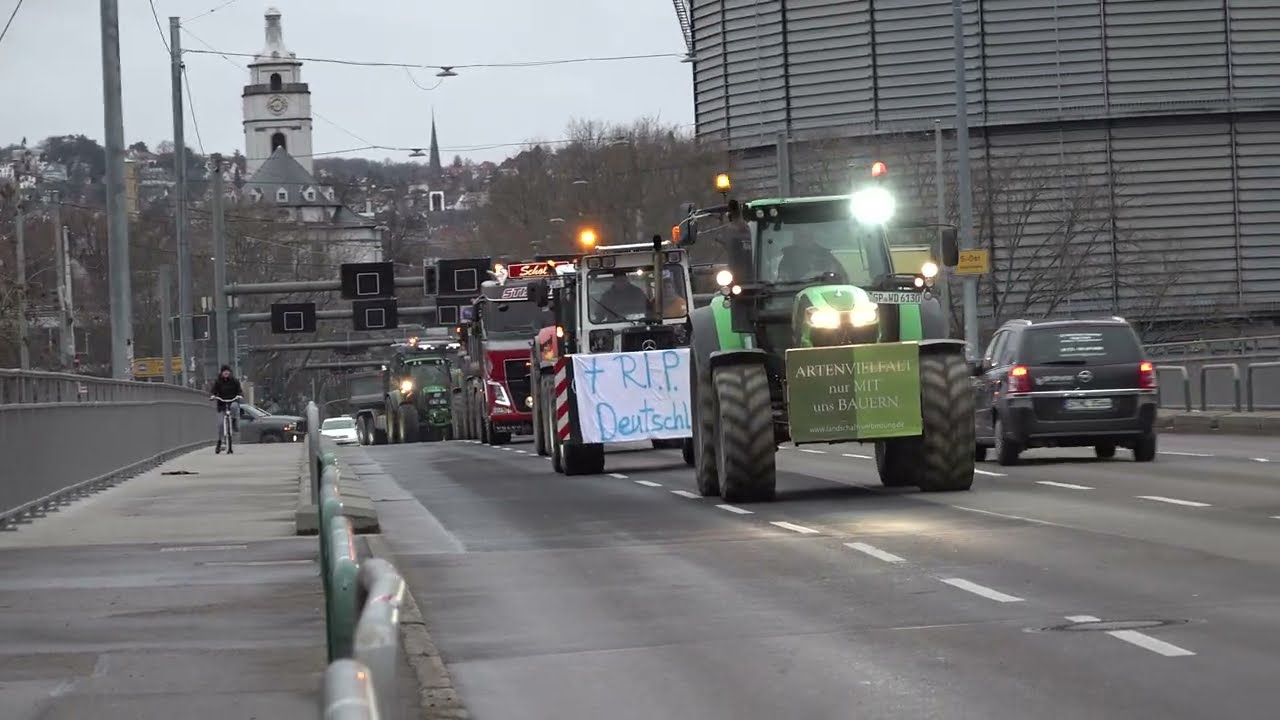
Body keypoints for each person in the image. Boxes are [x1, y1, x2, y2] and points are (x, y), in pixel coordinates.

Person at [777, 231, 846, 283]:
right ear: (795, 239)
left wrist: (822, 275)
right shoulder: (787, 259)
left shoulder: (826, 256)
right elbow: (783, 283)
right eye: (801, 236)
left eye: (806, 236)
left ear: (812, 237)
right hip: (795, 295)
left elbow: (842, 278)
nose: (804, 239)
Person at [209, 365, 243, 454]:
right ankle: (219, 442)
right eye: (224, 371)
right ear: (221, 373)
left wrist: (240, 395)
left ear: (230, 372)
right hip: (222, 404)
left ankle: (234, 420)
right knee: (220, 424)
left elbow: (239, 390)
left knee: (234, 406)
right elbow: (213, 391)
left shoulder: (234, 381)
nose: (226, 373)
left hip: (232, 401)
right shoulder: (218, 382)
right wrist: (213, 395)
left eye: (227, 371)